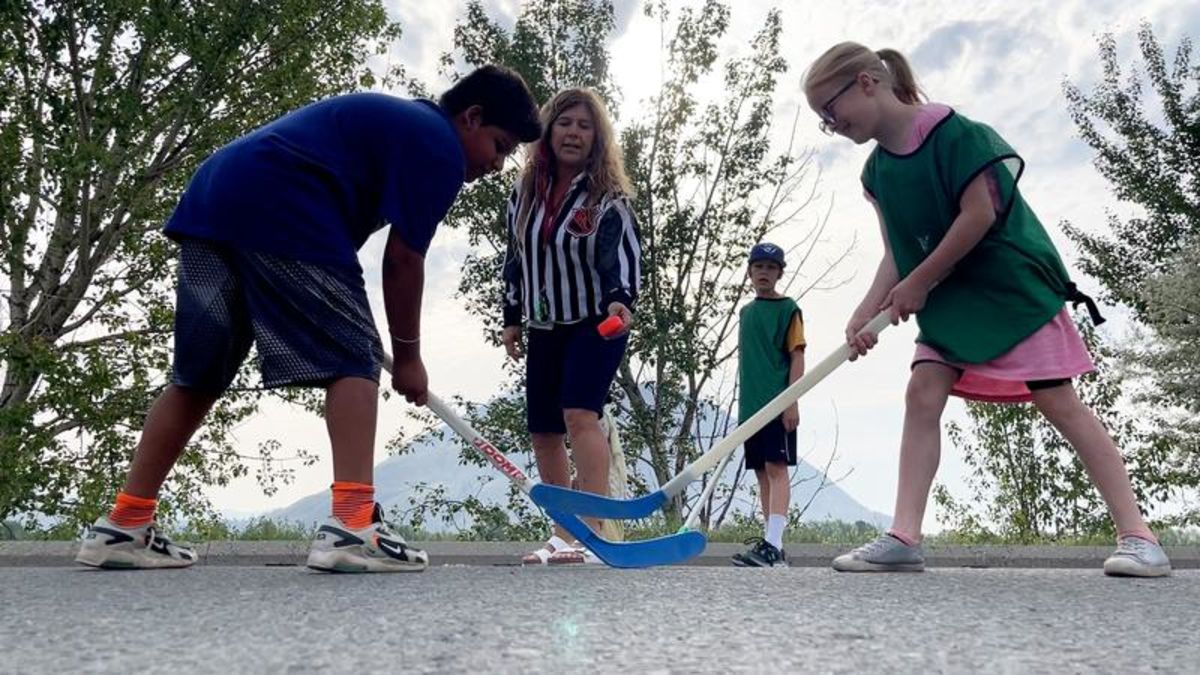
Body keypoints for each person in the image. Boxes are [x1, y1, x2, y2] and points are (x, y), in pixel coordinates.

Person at [74, 65, 542, 573]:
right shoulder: (438, 145)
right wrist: (408, 356)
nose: (498, 165)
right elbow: (403, 260)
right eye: (500, 146)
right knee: (354, 356)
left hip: (214, 200)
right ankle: (352, 526)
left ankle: (124, 525)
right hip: (283, 205)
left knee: (198, 375)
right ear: (471, 118)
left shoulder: (404, 128)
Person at [803, 42, 1170, 577]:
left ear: (866, 83)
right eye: (821, 120)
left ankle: (1140, 537)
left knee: (1059, 402)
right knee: (922, 391)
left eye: (830, 111)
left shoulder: (958, 135)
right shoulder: (876, 174)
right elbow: (896, 250)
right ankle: (904, 535)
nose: (831, 125)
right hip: (948, 296)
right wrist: (865, 312)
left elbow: (980, 214)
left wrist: (919, 283)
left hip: (1008, 286)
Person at [499, 88, 641, 566]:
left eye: (584, 126)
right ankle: (563, 535)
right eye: (565, 123)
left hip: (596, 321)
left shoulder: (608, 198)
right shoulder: (524, 194)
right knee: (543, 429)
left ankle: (591, 533)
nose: (573, 133)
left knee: (580, 415)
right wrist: (512, 317)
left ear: (597, 137)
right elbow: (515, 258)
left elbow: (619, 260)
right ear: (547, 131)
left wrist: (621, 303)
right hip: (544, 322)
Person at [731, 243, 806, 568]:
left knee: (777, 469)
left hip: (777, 403)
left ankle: (773, 542)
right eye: (758, 266)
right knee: (762, 473)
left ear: (780, 273)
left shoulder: (788, 309)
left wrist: (792, 400)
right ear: (749, 272)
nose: (764, 273)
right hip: (751, 407)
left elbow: (798, 355)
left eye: (771, 267)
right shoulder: (746, 312)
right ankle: (771, 545)